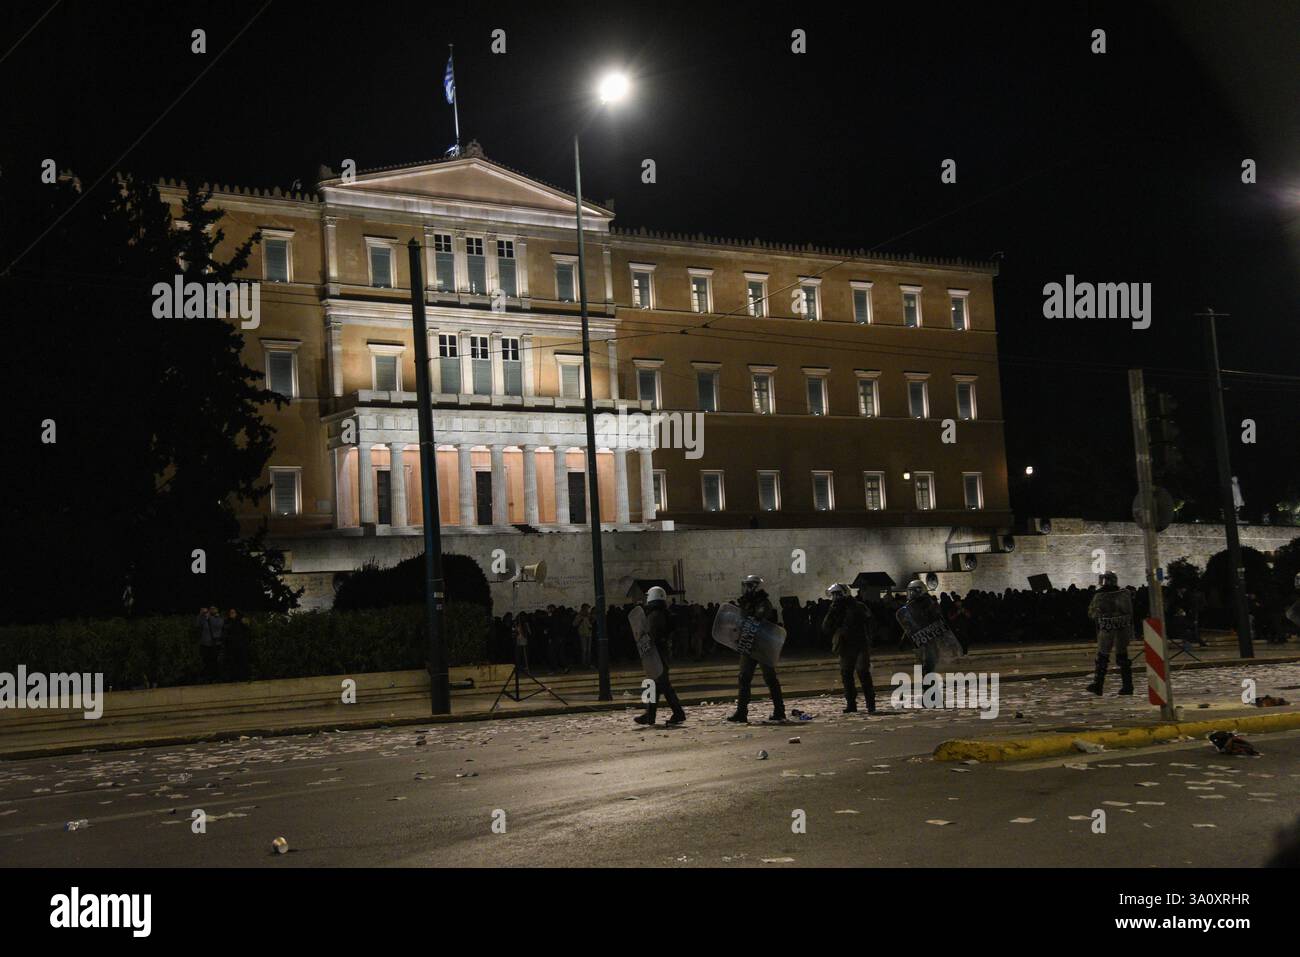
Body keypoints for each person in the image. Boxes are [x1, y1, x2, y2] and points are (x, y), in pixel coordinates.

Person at [727, 574, 786, 723]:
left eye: (748, 586)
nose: (746, 589)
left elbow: (757, 621)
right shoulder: (747, 602)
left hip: (762, 646)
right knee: (744, 678)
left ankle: (779, 711)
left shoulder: (763, 603)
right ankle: (741, 712)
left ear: (755, 587)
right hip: (748, 645)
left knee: (770, 679)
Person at [635, 586, 686, 726]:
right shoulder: (661, 613)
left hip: (657, 655)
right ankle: (650, 715)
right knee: (655, 685)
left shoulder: (655, 615)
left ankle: (678, 713)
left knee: (664, 686)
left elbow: (652, 636)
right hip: (660, 654)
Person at [822, 583, 875, 714]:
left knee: (863, 673)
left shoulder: (857, 606)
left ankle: (870, 704)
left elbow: (869, 622)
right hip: (845, 646)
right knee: (846, 675)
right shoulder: (835, 609)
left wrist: (870, 640)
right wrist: (832, 611)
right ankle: (851, 704)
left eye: (837, 594)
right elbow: (826, 627)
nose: (835, 597)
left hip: (860, 644)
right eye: (833, 595)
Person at [1086, 571, 1135, 695]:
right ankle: (1127, 685)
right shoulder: (1125, 594)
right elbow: (1129, 612)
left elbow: (1092, 613)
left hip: (1107, 629)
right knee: (1123, 657)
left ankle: (1098, 685)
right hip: (1122, 628)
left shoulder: (1100, 596)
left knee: (1102, 657)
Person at [896, 580, 943, 675]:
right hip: (919, 636)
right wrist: (904, 639)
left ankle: (928, 682)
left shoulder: (928, 603)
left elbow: (936, 618)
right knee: (924, 660)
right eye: (910, 591)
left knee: (929, 660)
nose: (911, 594)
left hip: (928, 635)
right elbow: (909, 625)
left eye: (914, 591)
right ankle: (927, 681)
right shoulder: (911, 605)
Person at [196, 605, 223, 682]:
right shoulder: (205, 618)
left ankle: (216, 678)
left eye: (214, 608)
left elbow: (217, 626)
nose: (212, 610)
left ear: (217, 610)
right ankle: (207, 678)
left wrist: (209, 617)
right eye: (210, 608)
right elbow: (198, 625)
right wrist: (200, 614)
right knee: (206, 662)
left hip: (215, 644)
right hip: (205, 644)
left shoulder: (219, 619)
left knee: (214, 662)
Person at [223, 608, 251, 681]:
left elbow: (247, 628)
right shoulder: (227, 621)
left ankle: (243, 678)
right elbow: (225, 633)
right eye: (231, 612)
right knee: (233, 664)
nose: (232, 614)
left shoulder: (241, 620)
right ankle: (234, 678)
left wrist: (245, 622)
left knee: (242, 662)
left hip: (241, 646)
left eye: (233, 612)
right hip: (231, 647)